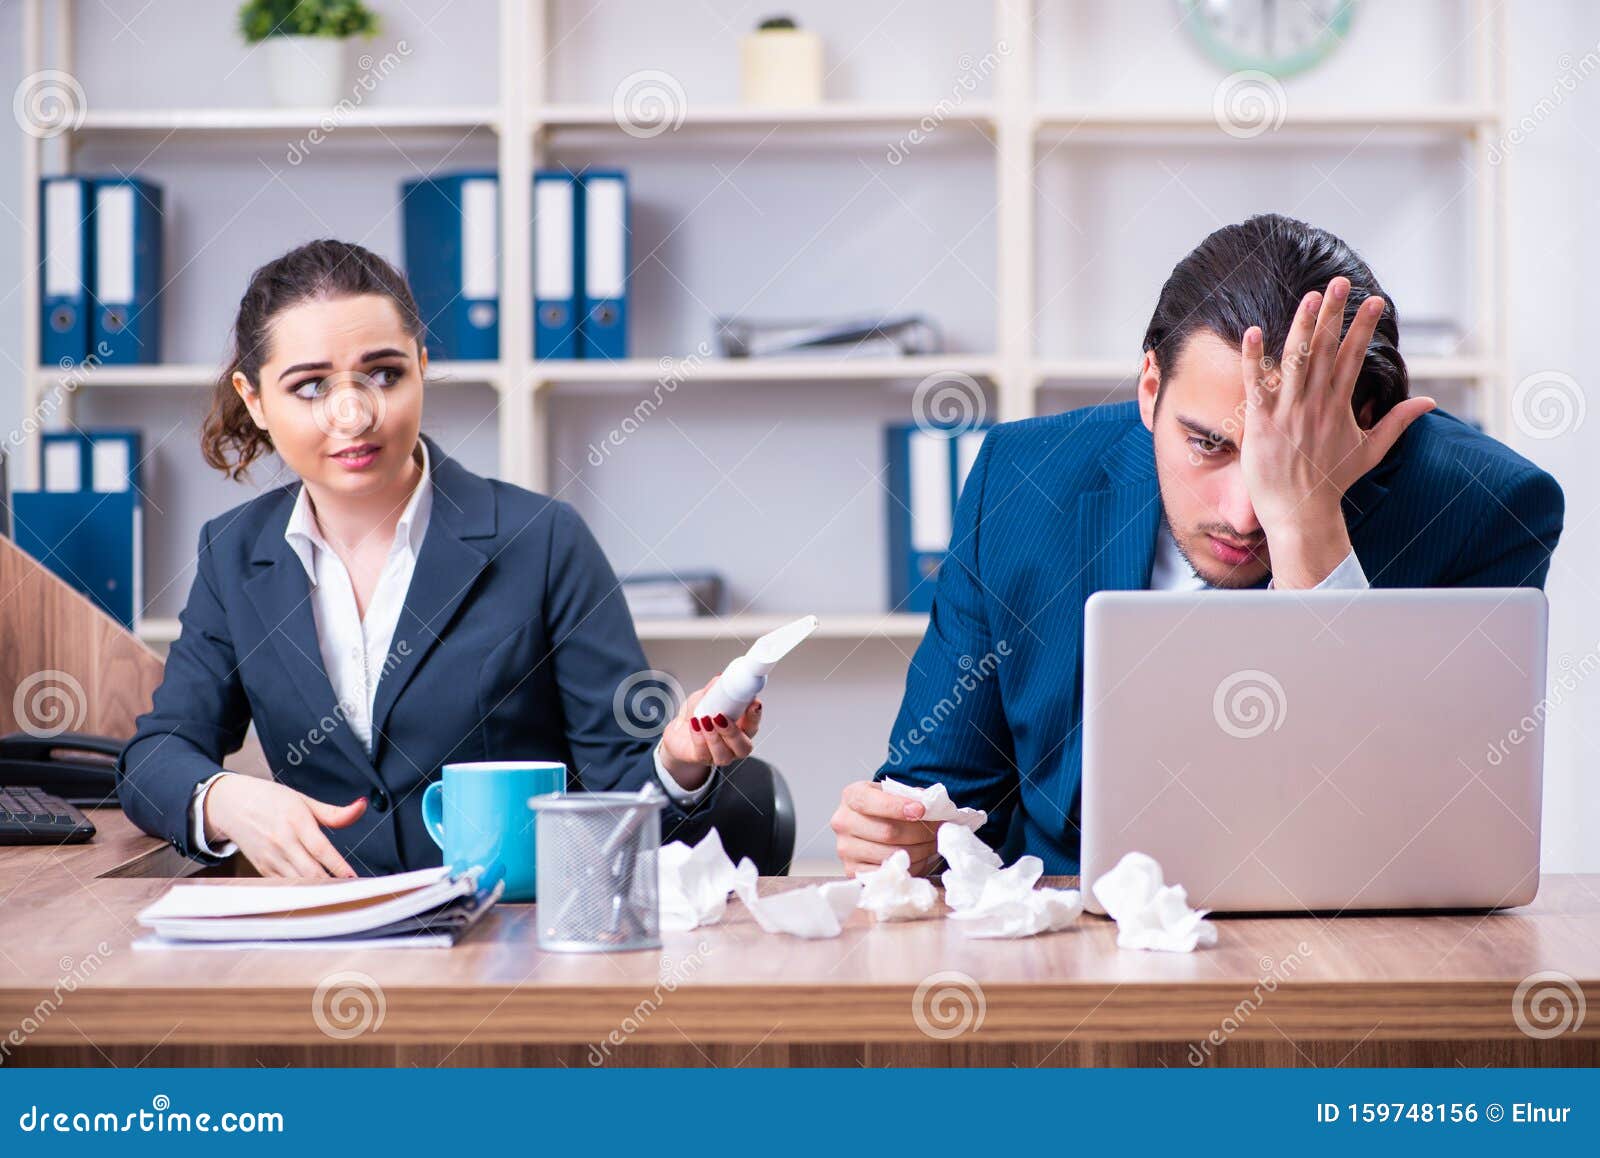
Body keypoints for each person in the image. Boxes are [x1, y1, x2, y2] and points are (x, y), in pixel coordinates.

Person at [833, 213, 1565, 877]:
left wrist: (1307, 524)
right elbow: (946, 798)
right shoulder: (1021, 483)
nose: (1244, 515)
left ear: (1366, 423)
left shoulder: (1488, 510)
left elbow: (1432, 844)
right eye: (1209, 444)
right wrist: (905, 837)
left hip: (1348, 956)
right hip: (1078, 955)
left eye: (1291, 457)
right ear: (1150, 387)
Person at [117, 239, 757, 878]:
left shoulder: (542, 539)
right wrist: (226, 798)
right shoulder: (234, 554)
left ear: (422, 368)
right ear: (255, 400)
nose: (353, 413)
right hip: (324, 938)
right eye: (310, 386)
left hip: (509, 939)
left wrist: (677, 762)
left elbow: (626, 793)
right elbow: (156, 757)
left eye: (384, 375)